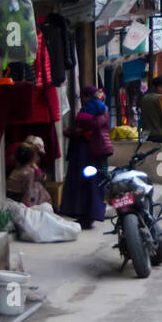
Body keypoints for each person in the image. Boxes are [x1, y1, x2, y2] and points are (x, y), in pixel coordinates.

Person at [60, 85, 112, 230]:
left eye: (82, 96)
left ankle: (88, 216)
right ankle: (85, 216)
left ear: (87, 96)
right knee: (87, 185)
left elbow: (92, 126)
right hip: (86, 152)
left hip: (89, 153)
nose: (82, 99)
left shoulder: (98, 110)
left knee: (89, 185)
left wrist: (76, 132)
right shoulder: (99, 109)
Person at [6, 142, 52, 208]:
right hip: (17, 197)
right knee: (38, 187)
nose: (38, 157)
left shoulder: (17, 168)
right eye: (36, 155)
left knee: (37, 185)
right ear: (32, 158)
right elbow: (28, 191)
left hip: (10, 195)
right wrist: (27, 207)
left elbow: (38, 177)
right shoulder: (29, 171)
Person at [139, 76, 162, 144]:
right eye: (161, 87)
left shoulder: (144, 98)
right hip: (159, 134)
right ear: (154, 87)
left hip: (146, 135)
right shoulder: (159, 98)